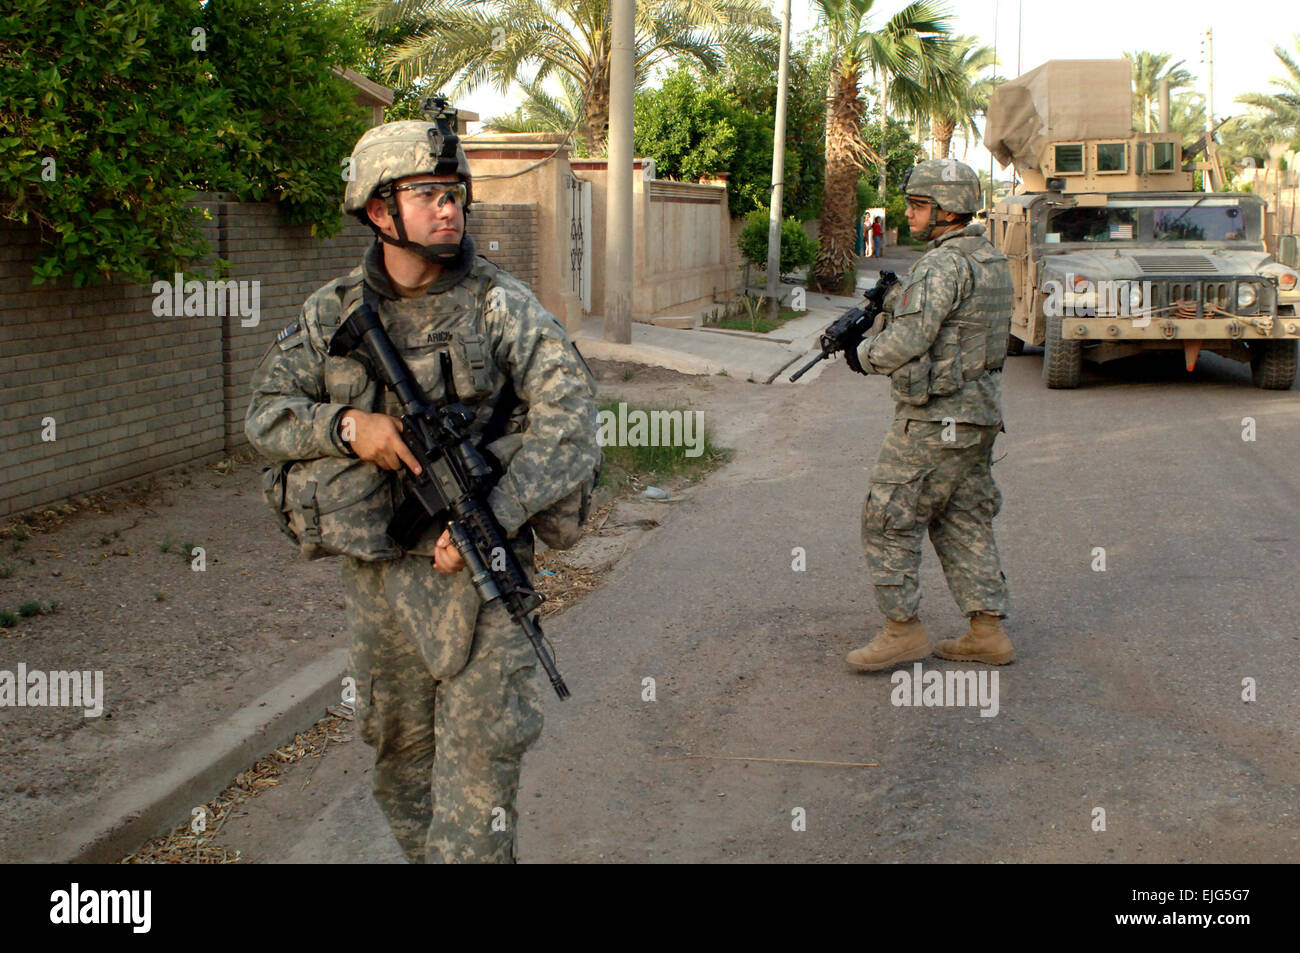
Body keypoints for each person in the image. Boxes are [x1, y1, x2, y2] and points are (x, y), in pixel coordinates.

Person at [245, 117, 600, 862]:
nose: (451, 208)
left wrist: (486, 520)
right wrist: (348, 428)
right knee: (402, 781)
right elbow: (266, 414)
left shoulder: (500, 303)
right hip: (382, 586)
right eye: (431, 194)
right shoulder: (331, 311)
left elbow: (574, 416)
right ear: (381, 211)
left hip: (483, 579)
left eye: (456, 193)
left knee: (474, 812)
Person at [844, 158, 1014, 672]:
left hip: (935, 418)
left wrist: (863, 355)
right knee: (963, 518)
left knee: (887, 514)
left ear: (948, 211)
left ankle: (902, 630)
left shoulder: (942, 265)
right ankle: (987, 631)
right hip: (978, 415)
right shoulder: (989, 259)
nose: (910, 214)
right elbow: (957, 325)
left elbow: (914, 338)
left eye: (919, 206)